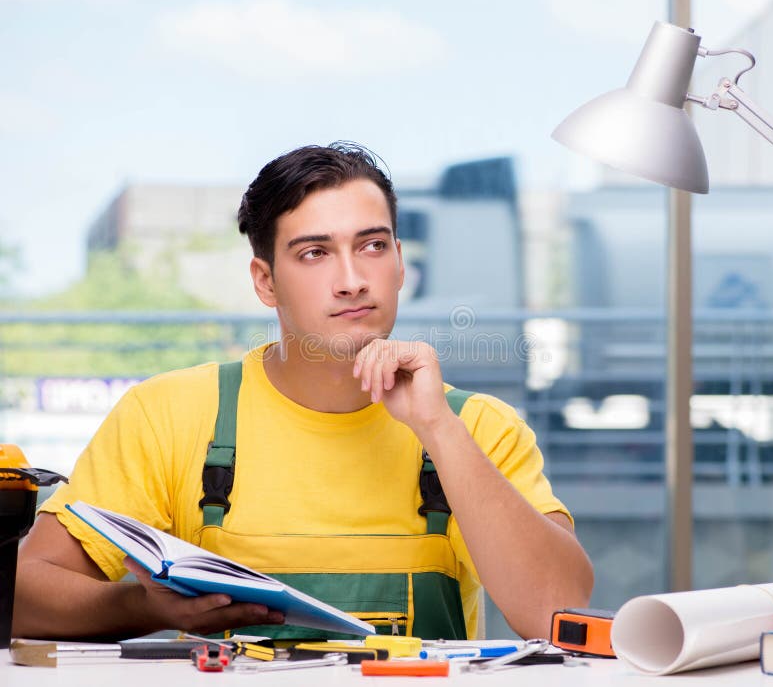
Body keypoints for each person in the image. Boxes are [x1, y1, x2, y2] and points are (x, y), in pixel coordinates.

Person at [13, 142, 593, 641]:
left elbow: (557, 614)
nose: (351, 280)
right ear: (265, 281)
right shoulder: (170, 415)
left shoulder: (477, 425)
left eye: (373, 245)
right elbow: (23, 594)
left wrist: (439, 430)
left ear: (400, 266)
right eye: (315, 253)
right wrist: (139, 606)